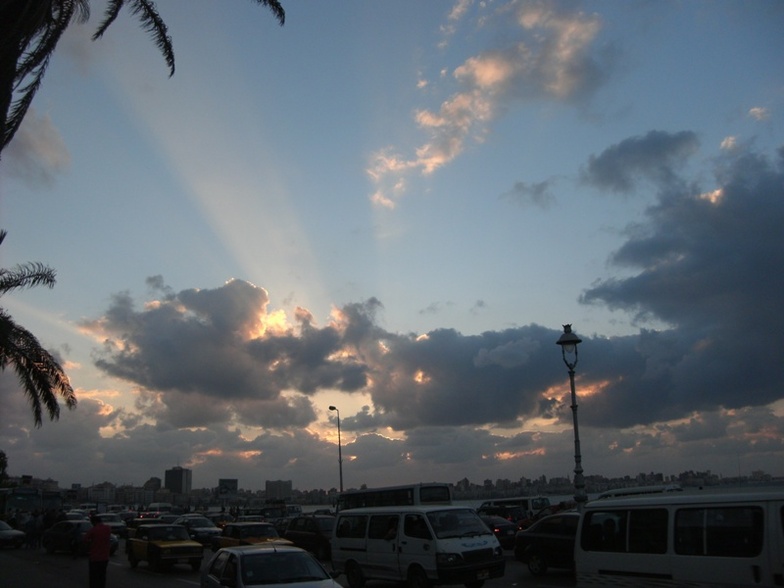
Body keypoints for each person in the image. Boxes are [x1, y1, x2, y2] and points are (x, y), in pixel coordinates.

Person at [84, 515, 112, 588]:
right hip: (105, 557)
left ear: (94, 522)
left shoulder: (93, 530)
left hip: (94, 557)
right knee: (102, 576)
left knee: (94, 577)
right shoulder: (107, 529)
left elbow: (85, 539)